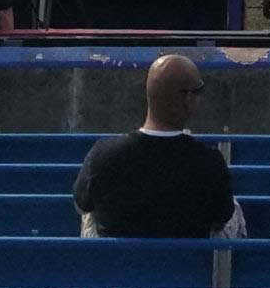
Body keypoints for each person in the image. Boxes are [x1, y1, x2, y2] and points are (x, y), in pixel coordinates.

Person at [73, 54, 239, 238]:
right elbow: (222, 215)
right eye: (199, 90)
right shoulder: (210, 162)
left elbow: (80, 205)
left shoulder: (102, 154)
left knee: (91, 211)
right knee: (233, 207)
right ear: (189, 99)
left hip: (117, 265)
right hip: (186, 265)